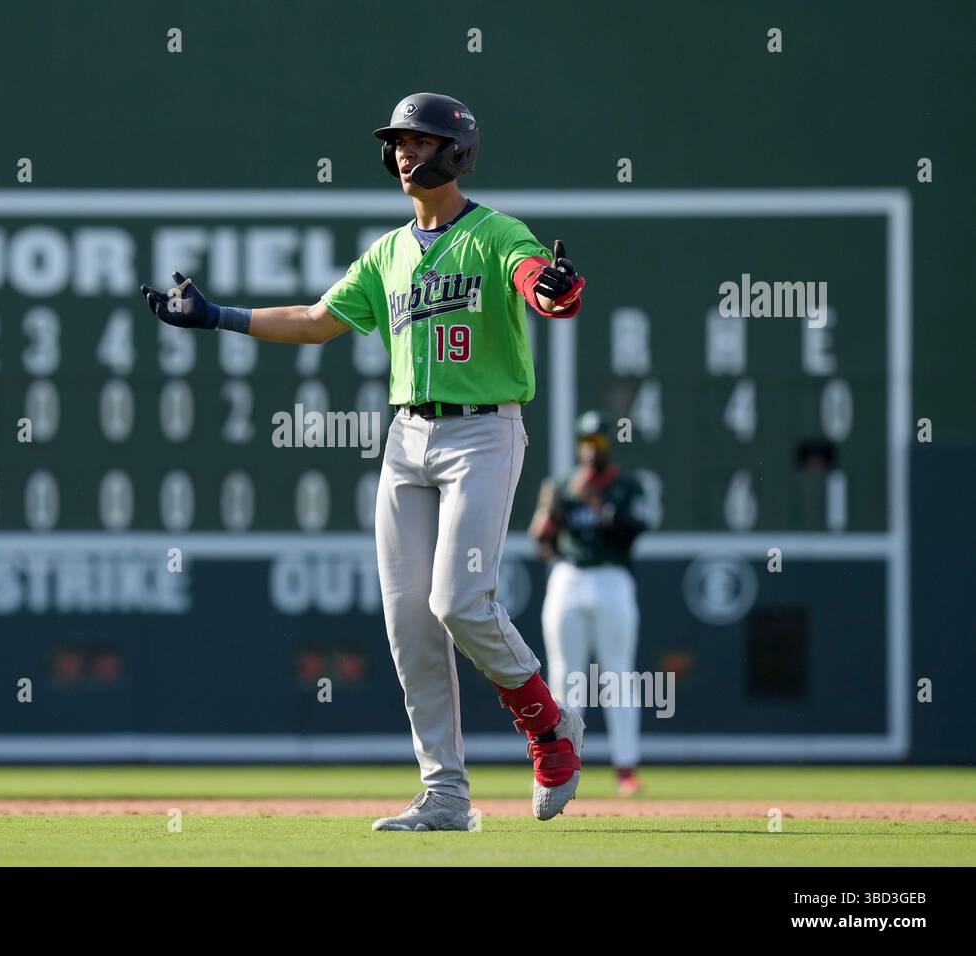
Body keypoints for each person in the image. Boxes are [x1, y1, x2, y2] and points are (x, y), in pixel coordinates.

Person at [140, 92, 588, 831]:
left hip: (482, 432)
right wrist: (219, 316)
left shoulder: (495, 232)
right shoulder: (387, 253)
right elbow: (318, 322)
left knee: (458, 600)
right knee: (409, 622)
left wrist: (551, 290)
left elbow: (535, 279)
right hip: (407, 441)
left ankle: (548, 728)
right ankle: (445, 794)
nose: (407, 153)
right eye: (400, 143)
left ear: (457, 151)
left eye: (421, 141)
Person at [528, 412, 648, 796]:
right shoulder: (561, 485)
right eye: (586, 441)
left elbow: (633, 532)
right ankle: (564, 765)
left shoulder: (625, 485)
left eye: (598, 441)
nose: (591, 448)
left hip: (612, 577)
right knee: (565, 678)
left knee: (618, 678)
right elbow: (540, 539)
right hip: (569, 576)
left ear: (608, 444)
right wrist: (550, 517)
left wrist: (596, 503)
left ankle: (625, 768)